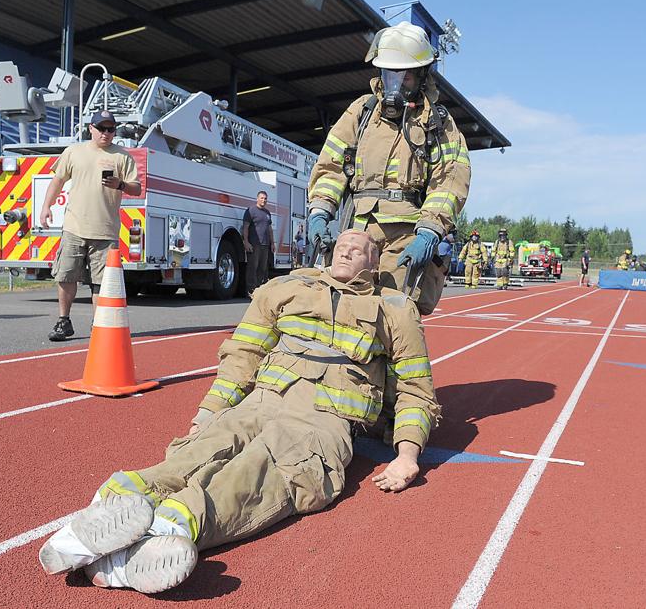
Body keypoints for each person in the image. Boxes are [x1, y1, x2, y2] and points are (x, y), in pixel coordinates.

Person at [37, 230, 438, 593]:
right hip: (261, 399)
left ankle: (167, 527)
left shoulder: (395, 310)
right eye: (341, 245)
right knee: (204, 448)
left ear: (375, 261)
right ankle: (113, 507)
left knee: (270, 464)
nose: (347, 250)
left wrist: (407, 454)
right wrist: (208, 412)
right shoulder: (285, 288)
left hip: (324, 418)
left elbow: (415, 389)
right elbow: (242, 355)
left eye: (359, 249)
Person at [306, 21, 471, 316]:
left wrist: (430, 230)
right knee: (343, 311)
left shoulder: (439, 124)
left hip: (407, 236)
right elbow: (330, 164)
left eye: (405, 75)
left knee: (395, 317)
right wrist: (319, 212)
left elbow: (450, 182)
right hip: (357, 229)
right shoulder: (362, 111)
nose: (396, 82)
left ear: (422, 74)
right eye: (390, 73)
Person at [38, 110, 142, 341]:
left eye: (111, 129)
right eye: (101, 128)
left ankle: (99, 325)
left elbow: (137, 188)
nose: (106, 133)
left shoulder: (122, 157)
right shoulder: (74, 152)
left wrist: (120, 184)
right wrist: (46, 207)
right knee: (66, 275)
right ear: (91, 129)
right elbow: (58, 181)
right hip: (74, 227)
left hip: (106, 230)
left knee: (102, 283)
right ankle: (63, 322)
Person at [242, 191, 275, 296]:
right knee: (253, 267)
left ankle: (258, 290)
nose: (263, 200)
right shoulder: (250, 211)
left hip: (265, 245)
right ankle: (251, 291)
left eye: (265, 198)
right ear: (257, 199)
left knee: (262, 268)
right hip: (254, 244)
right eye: (261, 198)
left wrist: (272, 243)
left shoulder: (267, 213)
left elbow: (270, 229)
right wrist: (246, 242)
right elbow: (245, 227)